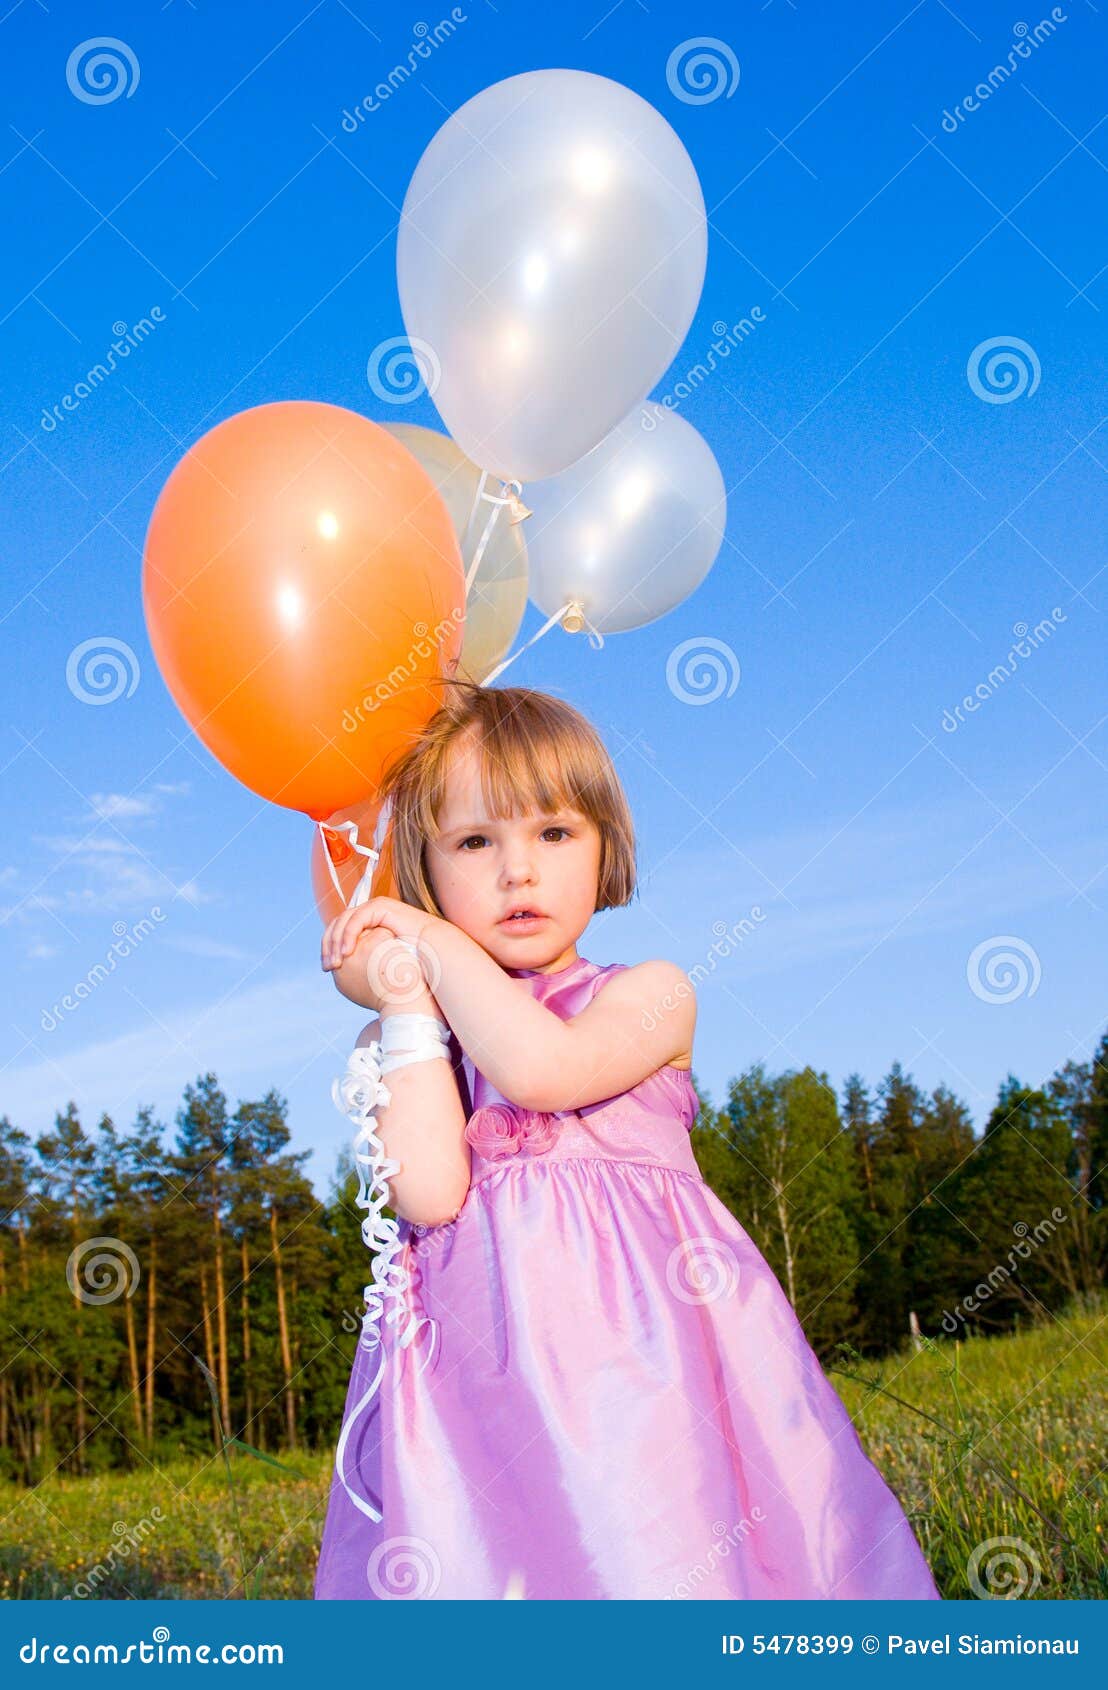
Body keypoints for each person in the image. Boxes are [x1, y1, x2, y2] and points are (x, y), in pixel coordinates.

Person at [314, 679, 941, 1601]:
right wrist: (406, 1003)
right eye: (475, 842)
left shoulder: (650, 993)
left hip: (647, 1361)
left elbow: (543, 1070)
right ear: (425, 866)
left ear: (606, 845)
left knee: (661, 1552)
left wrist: (422, 941)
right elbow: (430, 1194)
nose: (517, 872)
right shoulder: (424, 1038)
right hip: (482, 1380)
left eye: (554, 833)